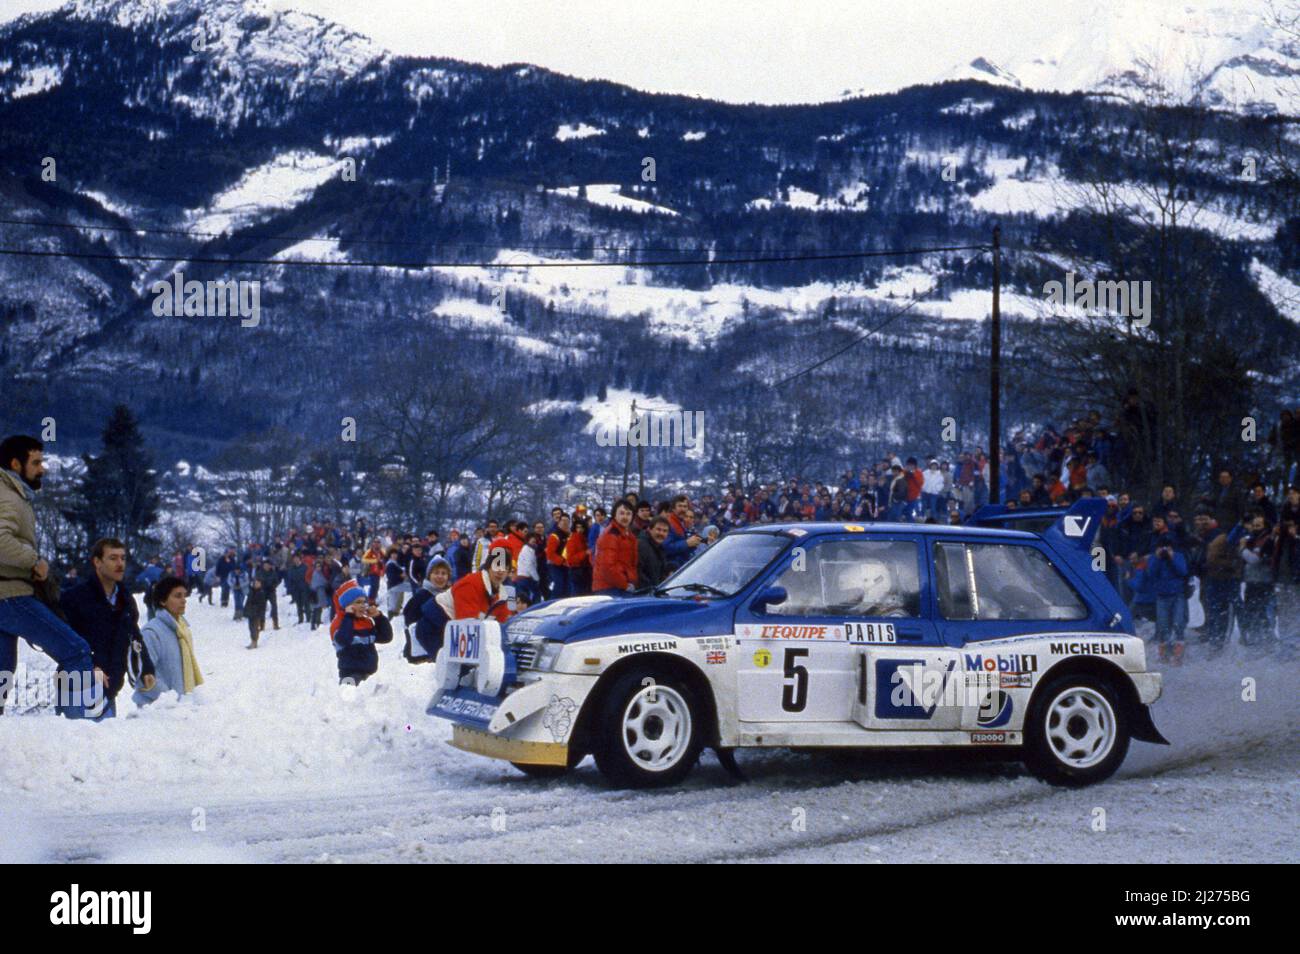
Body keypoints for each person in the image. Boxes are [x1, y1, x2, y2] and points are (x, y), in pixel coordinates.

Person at [0, 435, 101, 719]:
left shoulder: (11, 493)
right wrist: (35, 561)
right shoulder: (8, 496)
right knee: (76, 651)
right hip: (9, 596)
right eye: (36, 462)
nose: (42, 468)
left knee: (2, 671)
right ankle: (73, 729)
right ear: (15, 464)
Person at [59, 538, 156, 719]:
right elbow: (62, 643)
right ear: (97, 562)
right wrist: (89, 667)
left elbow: (134, 636)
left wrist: (146, 668)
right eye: (113, 558)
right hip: (78, 688)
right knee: (83, 745)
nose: (120, 564)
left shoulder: (125, 599)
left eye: (123, 558)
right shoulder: (75, 597)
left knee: (104, 744)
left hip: (109, 687)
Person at [133, 577, 203, 706]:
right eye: (177, 596)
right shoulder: (151, 632)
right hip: (157, 712)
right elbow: (142, 674)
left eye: (184, 595)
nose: (184, 600)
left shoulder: (183, 630)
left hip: (182, 708)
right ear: (162, 601)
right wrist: (170, 700)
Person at [331, 587, 392, 686]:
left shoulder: (366, 622)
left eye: (364, 602)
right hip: (350, 676)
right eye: (358, 602)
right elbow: (343, 640)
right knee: (349, 699)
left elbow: (386, 637)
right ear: (348, 605)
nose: (363, 606)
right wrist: (348, 616)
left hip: (369, 675)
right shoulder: (340, 622)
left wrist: (378, 617)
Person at [1148, 534, 1190, 664]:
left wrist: (1172, 558)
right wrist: (1157, 558)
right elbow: (1151, 573)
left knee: (1178, 623)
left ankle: (1178, 653)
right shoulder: (1154, 558)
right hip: (1162, 596)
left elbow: (1183, 571)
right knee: (1163, 625)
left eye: (1167, 548)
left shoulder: (1178, 556)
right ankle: (1165, 653)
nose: (1165, 550)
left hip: (1178, 595)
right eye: (1162, 548)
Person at [403, 557, 452, 663]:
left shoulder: (448, 598)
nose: (440, 576)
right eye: (436, 572)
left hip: (441, 653)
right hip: (422, 657)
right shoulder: (421, 597)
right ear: (429, 575)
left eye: (444, 573)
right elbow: (410, 627)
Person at [592, 501, 639, 596]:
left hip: (620, 586)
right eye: (621, 513)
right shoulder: (610, 535)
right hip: (609, 588)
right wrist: (625, 585)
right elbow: (607, 567)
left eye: (628, 514)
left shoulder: (629, 535)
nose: (625, 517)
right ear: (614, 515)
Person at [637, 516, 671, 589]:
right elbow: (638, 572)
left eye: (665, 531)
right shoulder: (642, 546)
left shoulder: (659, 547)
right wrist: (650, 589)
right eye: (658, 529)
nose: (661, 533)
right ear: (650, 529)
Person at [243, 576, 269, 649]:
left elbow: (262, 605)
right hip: (250, 612)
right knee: (250, 627)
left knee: (254, 627)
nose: (256, 584)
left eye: (258, 583)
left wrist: (260, 613)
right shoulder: (251, 591)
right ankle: (252, 640)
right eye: (255, 583)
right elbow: (248, 601)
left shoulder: (261, 592)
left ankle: (254, 642)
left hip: (257, 613)